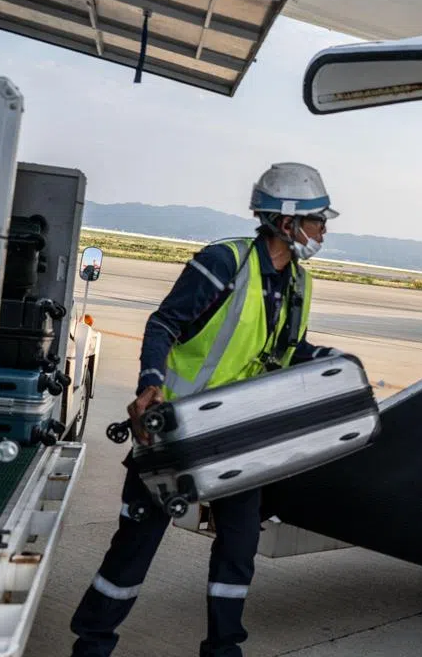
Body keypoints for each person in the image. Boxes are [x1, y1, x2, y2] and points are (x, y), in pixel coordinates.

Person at [69, 163, 344, 657]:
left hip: (238, 437)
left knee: (238, 551)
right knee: (136, 546)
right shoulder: (224, 262)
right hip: (176, 432)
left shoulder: (299, 285)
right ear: (287, 223)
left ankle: (223, 649)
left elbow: (284, 350)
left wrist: (325, 359)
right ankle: (92, 643)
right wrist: (150, 383)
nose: (323, 231)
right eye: (318, 220)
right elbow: (163, 324)